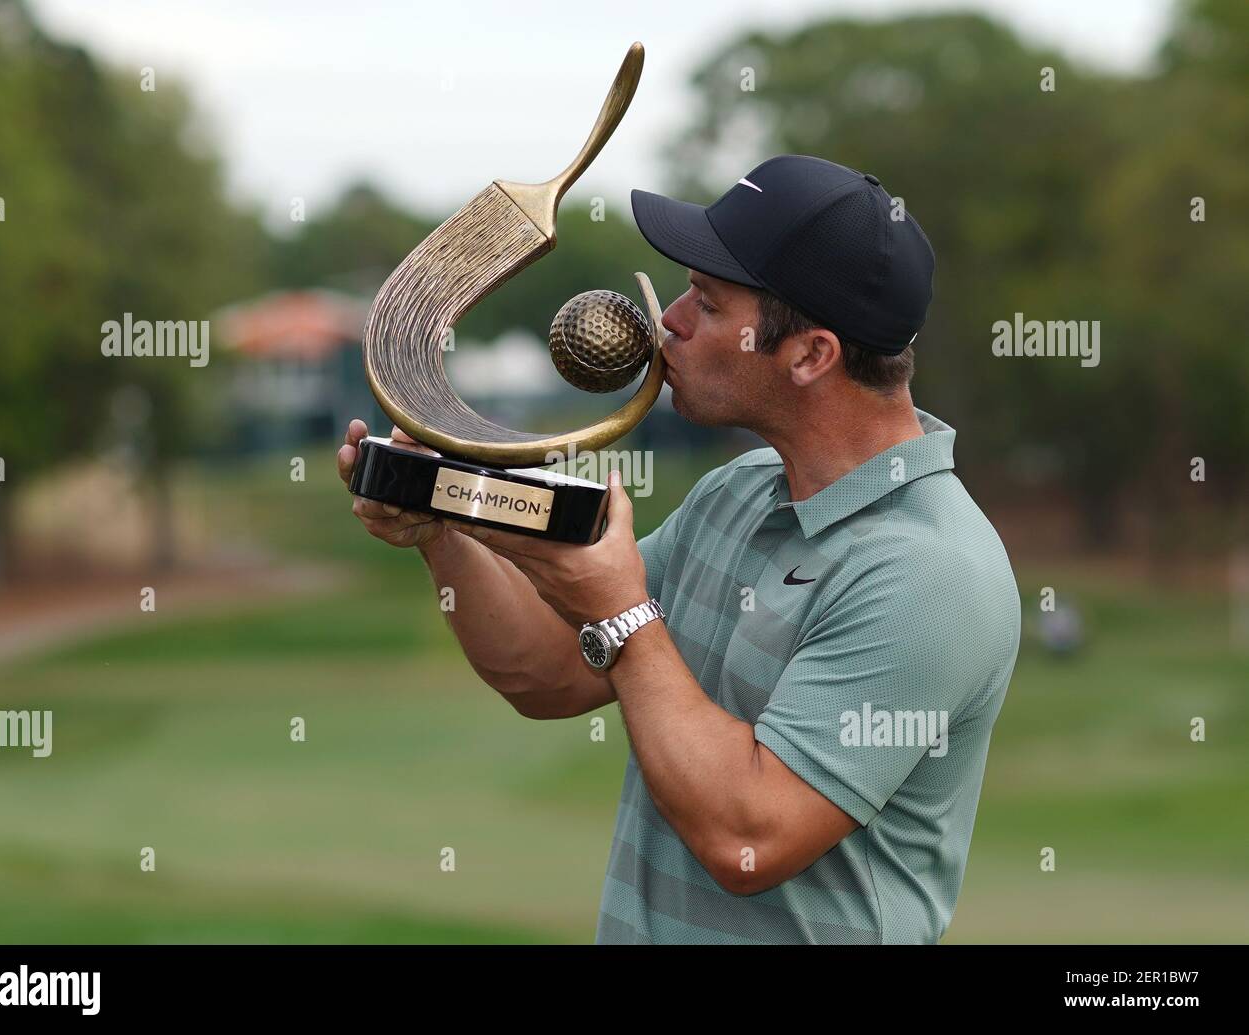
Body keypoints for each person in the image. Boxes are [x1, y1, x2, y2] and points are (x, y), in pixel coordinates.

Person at [338, 155, 1021, 944]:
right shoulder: (741, 491)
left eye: (707, 300)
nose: (670, 321)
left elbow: (750, 837)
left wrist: (621, 610)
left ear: (810, 355)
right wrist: (445, 535)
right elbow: (549, 673)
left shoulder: (929, 573)